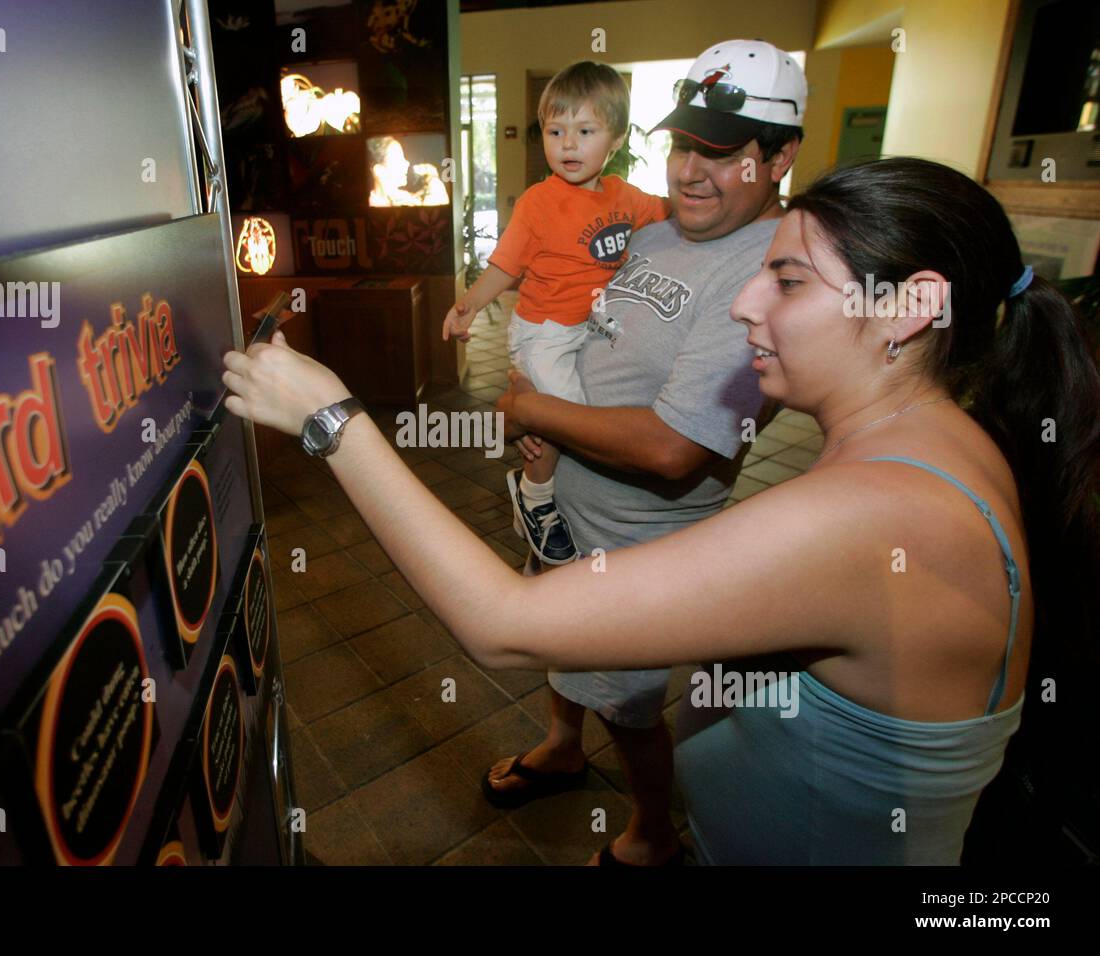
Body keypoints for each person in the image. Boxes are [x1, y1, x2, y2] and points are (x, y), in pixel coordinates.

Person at [221, 155, 1100, 864]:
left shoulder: (875, 517)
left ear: (910, 308)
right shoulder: (955, 439)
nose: (745, 303)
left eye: (787, 282)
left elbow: (502, 624)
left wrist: (332, 422)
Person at [484, 39, 805, 867]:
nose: (691, 172)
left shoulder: (765, 275)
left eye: (723, 153)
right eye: (682, 145)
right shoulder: (658, 232)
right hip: (568, 502)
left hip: (637, 534)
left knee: (629, 703)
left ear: (779, 159)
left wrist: (535, 405)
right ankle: (560, 748)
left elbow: (674, 450)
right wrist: (549, 415)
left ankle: (652, 835)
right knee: (563, 649)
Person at [442, 60, 669, 566]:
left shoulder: (624, 197)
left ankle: (551, 478)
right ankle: (534, 498)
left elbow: (671, 213)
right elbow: (506, 264)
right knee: (566, 415)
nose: (568, 144)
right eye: (555, 130)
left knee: (587, 406)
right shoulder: (539, 203)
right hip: (543, 331)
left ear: (615, 138)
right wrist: (470, 305)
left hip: (589, 327)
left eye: (584, 131)